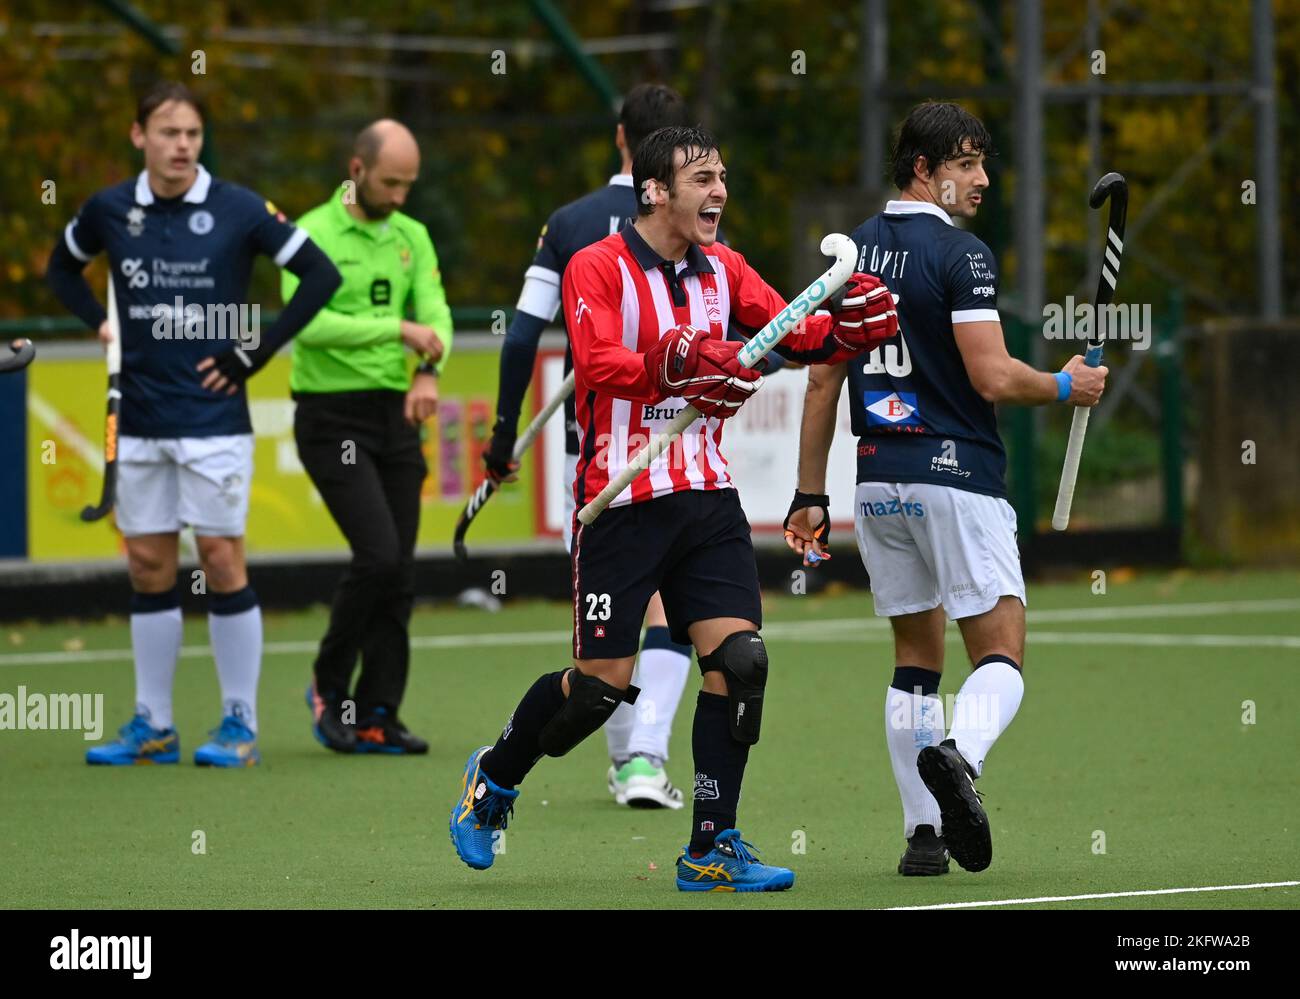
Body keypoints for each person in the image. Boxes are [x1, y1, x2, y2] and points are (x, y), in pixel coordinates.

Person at [450, 124, 899, 891]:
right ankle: (495, 774)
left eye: (721, 175)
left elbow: (789, 330)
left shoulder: (725, 266)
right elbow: (596, 363)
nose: (718, 190)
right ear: (654, 189)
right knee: (597, 687)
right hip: (621, 501)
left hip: (705, 497)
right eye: (701, 177)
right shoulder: (595, 266)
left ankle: (709, 846)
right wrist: (678, 362)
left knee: (741, 661)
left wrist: (845, 330)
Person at [784, 101, 1108, 874]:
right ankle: (962, 754)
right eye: (966, 164)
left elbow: (824, 380)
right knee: (1001, 652)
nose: (982, 179)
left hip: (878, 483)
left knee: (914, 659)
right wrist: (1065, 385)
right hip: (958, 477)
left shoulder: (851, 251)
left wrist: (810, 495)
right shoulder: (963, 257)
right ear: (924, 170)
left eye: (982, 163)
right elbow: (991, 374)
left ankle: (923, 838)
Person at [46, 81, 341, 766]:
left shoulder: (238, 208)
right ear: (138, 135)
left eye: (192, 134)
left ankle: (239, 722)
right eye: (169, 132)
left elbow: (319, 274)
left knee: (219, 558)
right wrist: (101, 324)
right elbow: (61, 268)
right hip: (140, 415)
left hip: (213, 419)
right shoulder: (110, 209)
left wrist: (255, 351)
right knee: (148, 564)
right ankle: (153, 722)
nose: (182, 146)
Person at [482, 83, 695, 808]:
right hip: (678, 438)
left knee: (631, 613)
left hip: (599, 444)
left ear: (619, 138)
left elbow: (520, 335)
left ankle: (632, 759)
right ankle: (638, 758)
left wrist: (503, 437)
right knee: (663, 607)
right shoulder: (695, 217)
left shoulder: (568, 222)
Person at [288, 120, 453, 755]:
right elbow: (310, 322)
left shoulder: (412, 235)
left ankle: (380, 711)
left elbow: (434, 310)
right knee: (378, 556)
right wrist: (396, 331)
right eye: (391, 182)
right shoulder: (311, 233)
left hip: (395, 416)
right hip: (331, 418)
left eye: (410, 184)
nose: (402, 197)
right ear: (356, 168)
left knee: (401, 571)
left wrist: (429, 371)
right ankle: (330, 688)